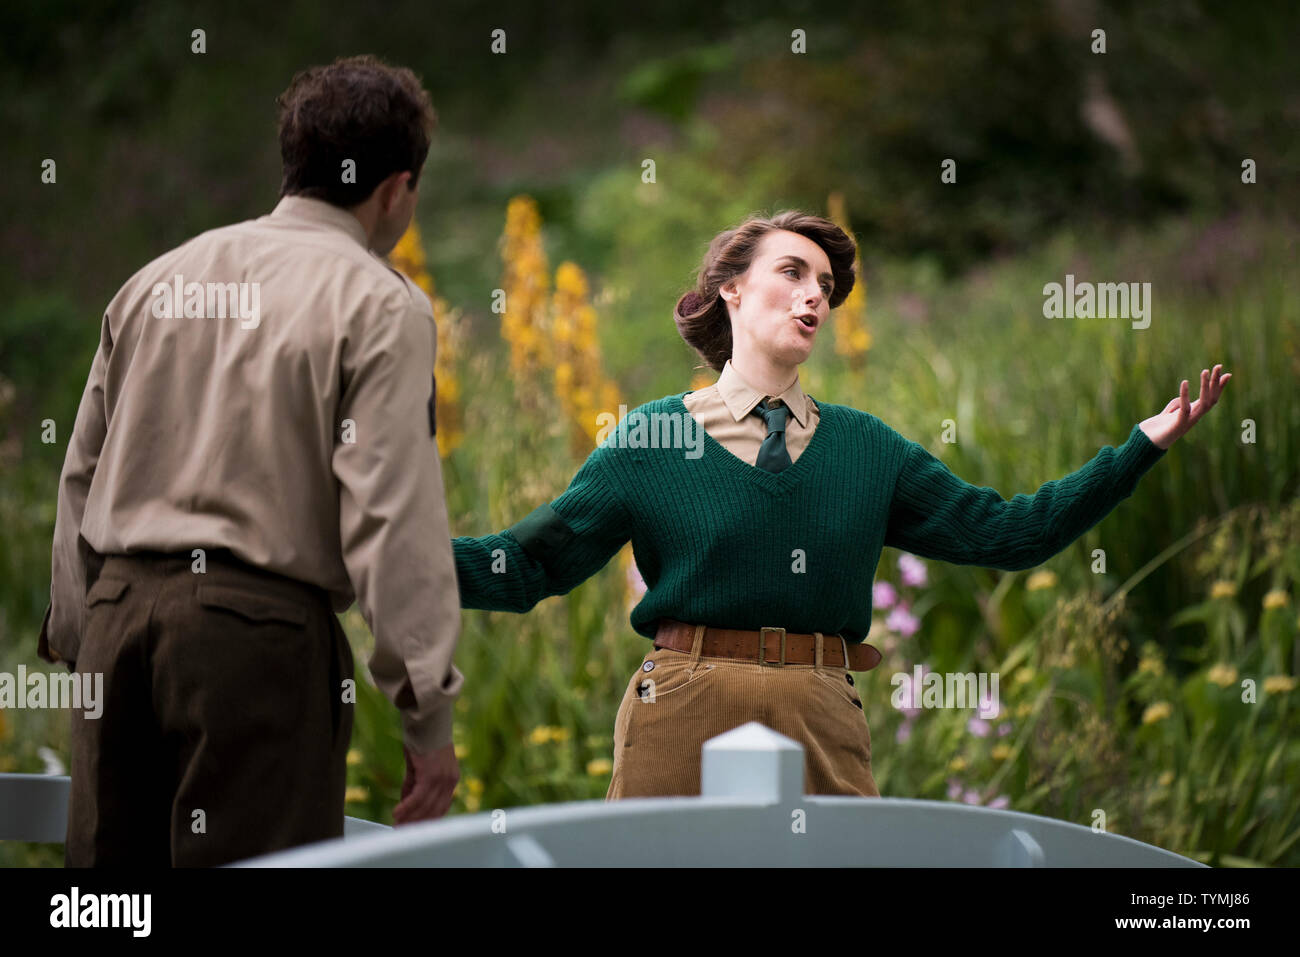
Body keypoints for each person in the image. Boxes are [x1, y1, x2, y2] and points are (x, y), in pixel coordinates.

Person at [452, 209, 1231, 799]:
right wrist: (380, 556)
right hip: (679, 707)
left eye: (826, 285)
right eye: (792, 272)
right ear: (731, 288)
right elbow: (529, 564)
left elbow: (1010, 532)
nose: (814, 295)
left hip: (821, 713)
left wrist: (1139, 447)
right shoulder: (648, 439)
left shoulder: (869, 450)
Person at [39, 54, 463, 866]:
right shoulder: (380, 304)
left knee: (104, 911)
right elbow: (390, 516)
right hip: (255, 640)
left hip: (116, 621)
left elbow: (80, 475)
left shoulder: (155, 280)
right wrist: (426, 714)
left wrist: (76, 632)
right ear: (397, 189)